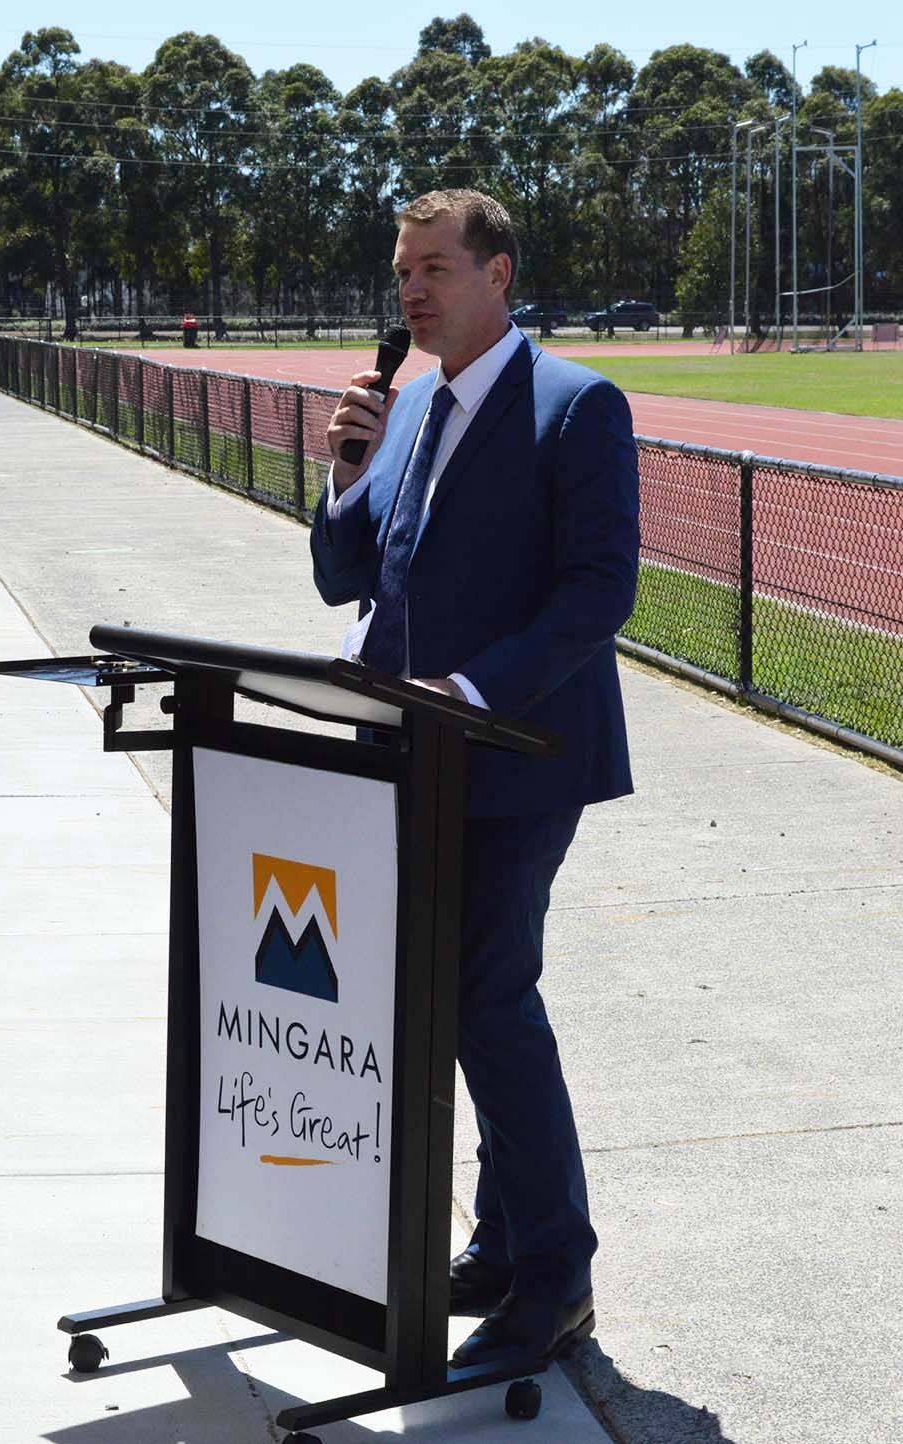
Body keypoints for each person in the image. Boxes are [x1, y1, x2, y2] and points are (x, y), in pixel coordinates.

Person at [311, 190, 640, 1367]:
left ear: (499, 274)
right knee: (461, 1005)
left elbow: (600, 592)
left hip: (515, 757)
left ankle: (555, 1277)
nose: (412, 290)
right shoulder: (402, 409)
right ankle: (502, 1247)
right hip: (404, 754)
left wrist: (474, 693)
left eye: (435, 268)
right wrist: (346, 474)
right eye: (403, 268)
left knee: (487, 1001)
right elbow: (350, 580)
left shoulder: (575, 405)